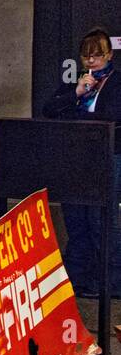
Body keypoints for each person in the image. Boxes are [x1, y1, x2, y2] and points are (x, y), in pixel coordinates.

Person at [42, 27, 121, 298]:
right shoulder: (76, 81)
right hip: (75, 159)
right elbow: (49, 109)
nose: (91, 60)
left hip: (107, 157)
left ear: (109, 55)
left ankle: (109, 283)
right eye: (86, 55)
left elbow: (115, 114)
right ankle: (78, 280)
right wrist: (77, 92)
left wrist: (81, 118)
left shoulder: (117, 82)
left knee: (101, 221)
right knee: (76, 220)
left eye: (97, 55)